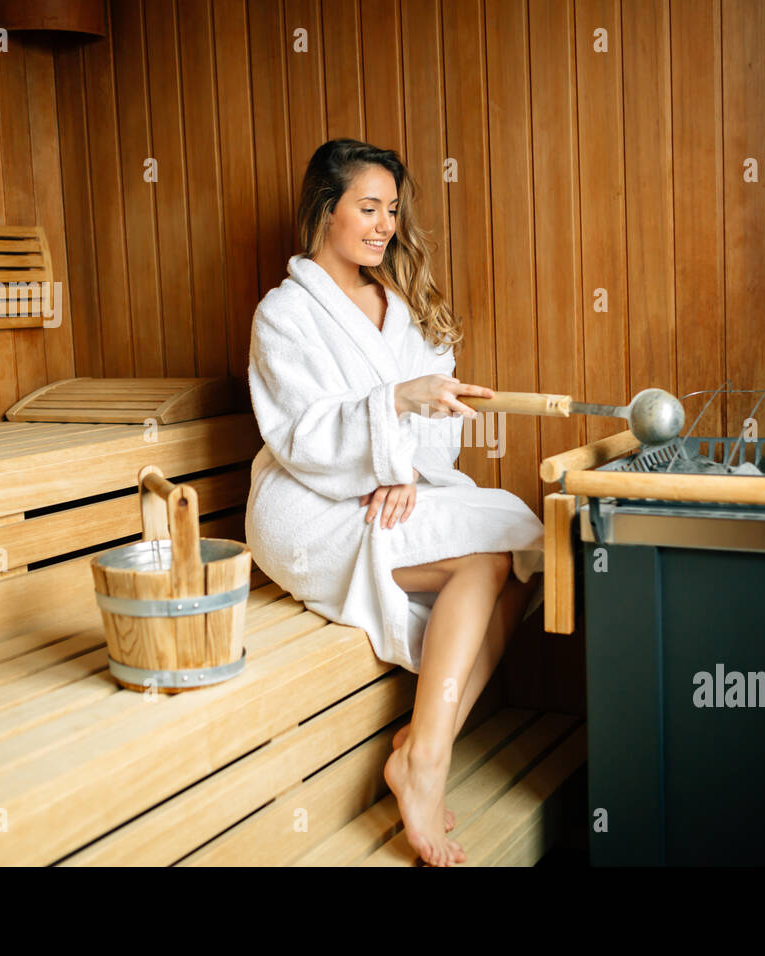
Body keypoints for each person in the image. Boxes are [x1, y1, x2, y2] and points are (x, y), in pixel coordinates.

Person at [245, 139, 545, 866]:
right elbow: (302, 433)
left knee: (526, 543)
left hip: (396, 491)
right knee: (483, 565)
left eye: (392, 211)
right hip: (311, 506)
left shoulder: (400, 305)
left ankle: (421, 744)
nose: (384, 225)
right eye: (368, 208)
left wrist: (405, 460)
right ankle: (424, 762)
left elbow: (434, 418)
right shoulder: (285, 314)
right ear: (326, 210)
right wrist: (392, 415)